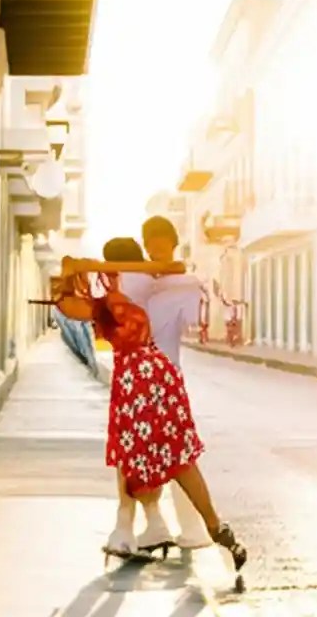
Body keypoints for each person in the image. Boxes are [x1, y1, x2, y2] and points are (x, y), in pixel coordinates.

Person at [54, 242, 246, 570]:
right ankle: (215, 527)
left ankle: (134, 526)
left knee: (131, 453)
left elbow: (67, 306)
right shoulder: (147, 285)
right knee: (179, 457)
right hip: (160, 371)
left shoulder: (106, 301)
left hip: (133, 378)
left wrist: (72, 273)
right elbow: (177, 270)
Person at [104, 217, 211, 553]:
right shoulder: (171, 279)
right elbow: (195, 319)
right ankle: (187, 527)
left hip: (145, 375)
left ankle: (142, 526)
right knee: (173, 454)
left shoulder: (136, 281)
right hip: (168, 374)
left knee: (137, 452)